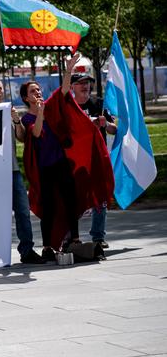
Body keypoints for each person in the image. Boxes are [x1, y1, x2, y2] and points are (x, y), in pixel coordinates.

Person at [19, 57, 81, 262]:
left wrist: (69, 69)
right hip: (44, 169)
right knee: (48, 207)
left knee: (70, 200)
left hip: (61, 163)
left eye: (38, 89)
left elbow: (63, 91)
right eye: (32, 91)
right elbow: (36, 133)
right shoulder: (27, 118)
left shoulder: (51, 106)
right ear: (26, 98)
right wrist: (41, 113)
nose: (37, 92)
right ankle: (47, 246)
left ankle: (75, 239)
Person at [0, 78, 42, 265]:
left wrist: (16, 120)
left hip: (12, 171)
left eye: (0, 87)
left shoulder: (10, 112)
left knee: (23, 211)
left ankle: (27, 250)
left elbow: (23, 137)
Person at [71, 73, 117, 248]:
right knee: (74, 199)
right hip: (75, 160)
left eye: (88, 83)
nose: (85, 86)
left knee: (100, 198)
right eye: (81, 83)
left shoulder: (99, 104)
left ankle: (98, 236)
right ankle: (71, 237)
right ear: (73, 86)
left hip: (98, 159)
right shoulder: (69, 105)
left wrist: (105, 124)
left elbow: (114, 130)